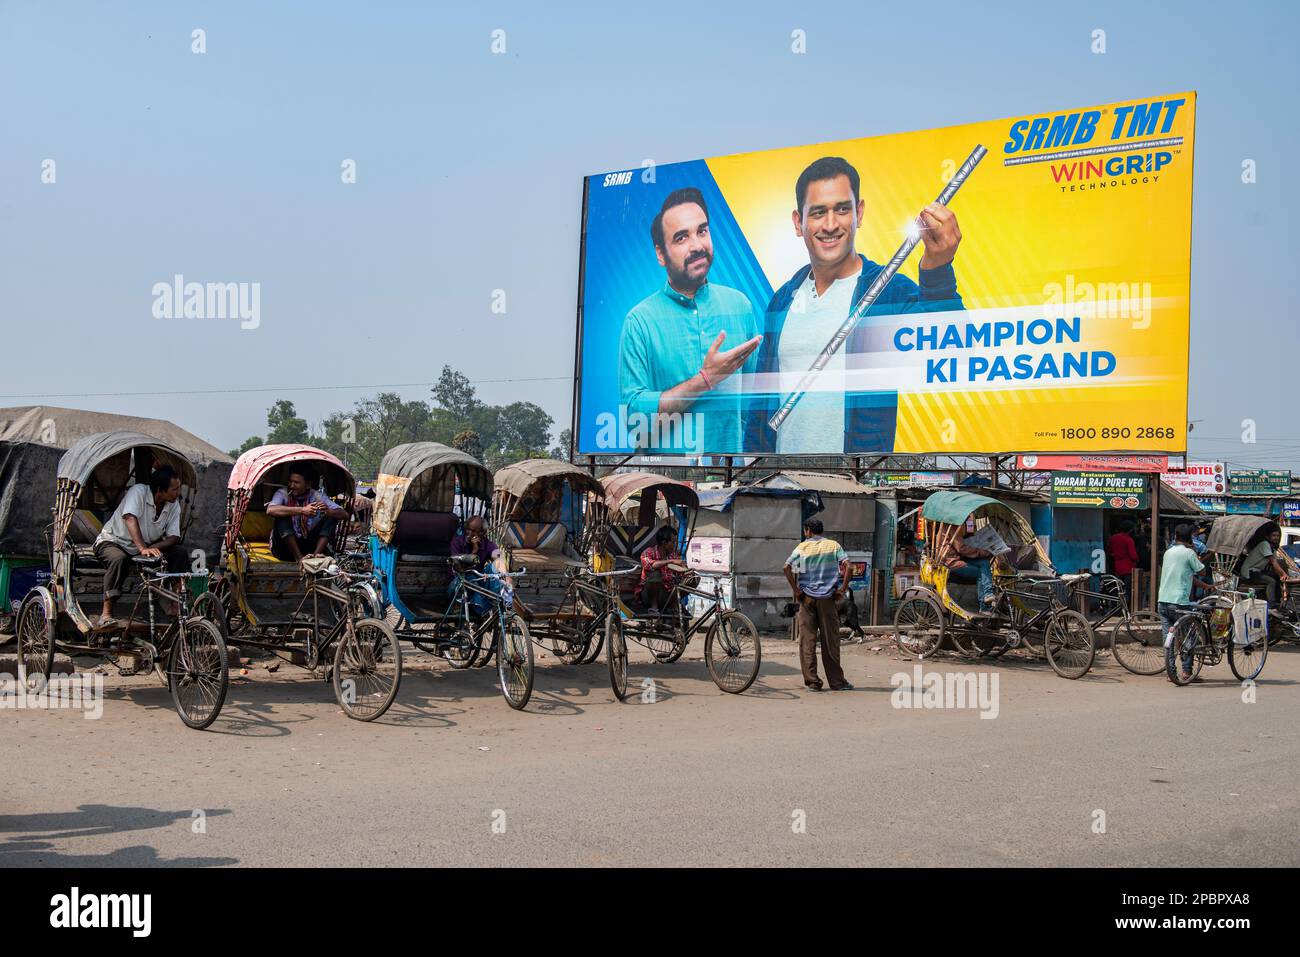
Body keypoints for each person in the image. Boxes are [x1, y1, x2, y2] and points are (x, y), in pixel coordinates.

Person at [751, 156, 965, 454]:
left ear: (859, 213)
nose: (830, 224)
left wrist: (938, 270)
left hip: (858, 488)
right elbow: (760, 407)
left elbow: (952, 349)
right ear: (798, 223)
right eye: (817, 212)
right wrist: (750, 474)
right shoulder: (782, 300)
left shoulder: (889, 291)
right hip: (780, 487)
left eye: (841, 209)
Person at [618, 187, 764, 454]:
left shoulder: (739, 306)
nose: (697, 245)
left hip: (731, 480)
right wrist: (705, 380)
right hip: (664, 485)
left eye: (702, 231)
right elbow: (633, 416)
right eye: (682, 237)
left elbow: (755, 402)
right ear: (661, 254)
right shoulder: (640, 321)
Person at [93, 466, 188, 631]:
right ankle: (106, 614)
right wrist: (143, 548)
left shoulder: (173, 505)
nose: (177, 493)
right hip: (114, 541)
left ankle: (176, 602)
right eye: (174, 489)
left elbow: (175, 537)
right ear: (160, 490)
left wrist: (153, 547)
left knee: (180, 553)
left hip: (145, 545)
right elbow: (130, 517)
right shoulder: (139, 491)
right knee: (118, 559)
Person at [783, 518, 853, 692]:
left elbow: (787, 567)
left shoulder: (803, 548)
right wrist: (843, 589)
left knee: (808, 641)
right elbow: (849, 567)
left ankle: (813, 681)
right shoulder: (834, 546)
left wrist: (796, 591)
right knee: (831, 642)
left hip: (806, 599)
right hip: (828, 599)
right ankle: (837, 682)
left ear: (808, 530)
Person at [1158, 524, 1216, 682]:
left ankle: (1171, 672)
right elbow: (1202, 571)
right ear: (1190, 538)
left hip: (1163, 601)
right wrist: (1195, 553)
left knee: (1168, 639)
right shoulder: (1189, 553)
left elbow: (1187, 575)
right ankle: (1186, 672)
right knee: (1188, 636)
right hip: (1179, 602)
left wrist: (1205, 586)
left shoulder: (1168, 552)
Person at [266, 465, 347, 561]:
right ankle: (300, 559)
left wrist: (327, 511)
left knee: (332, 516)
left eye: (296, 483)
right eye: (290, 481)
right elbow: (270, 510)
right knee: (282, 516)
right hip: (284, 548)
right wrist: (302, 510)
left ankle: (316, 555)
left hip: (308, 546)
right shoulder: (283, 493)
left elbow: (344, 514)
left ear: (308, 484)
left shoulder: (317, 496)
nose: (292, 486)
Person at [449, 514, 506, 614]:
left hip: (477, 585)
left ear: (482, 533)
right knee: (469, 576)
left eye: (474, 531)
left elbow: (499, 559)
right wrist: (475, 550)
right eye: (468, 529)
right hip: (457, 585)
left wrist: (507, 578)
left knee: (493, 568)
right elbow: (460, 568)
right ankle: (481, 609)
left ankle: (494, 602)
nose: (469, 533)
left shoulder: (489, 544)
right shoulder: (457, 542)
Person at [939, 523, 995, 609]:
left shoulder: (959, 527)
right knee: (979, 573)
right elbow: (961, 548)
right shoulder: (952, 527)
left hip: (961, 558)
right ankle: (984, 607)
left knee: (984, 563)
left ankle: (988, 594)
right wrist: (981, 552)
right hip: (951, 562)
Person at [637, 526, 683, 613]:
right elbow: (650, 565)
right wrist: (671, 561)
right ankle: (654, 607)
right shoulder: (648, 552)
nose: (675, 545)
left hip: (667, 595)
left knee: (692, 579)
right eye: (673, 542)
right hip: (648, 596)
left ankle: (673, 605)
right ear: (664, 542)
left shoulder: (673, 555)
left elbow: (681, 573)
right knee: (654, 573)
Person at [1239, 527, 1286, 606]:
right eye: (1273, 535)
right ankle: (1272, 603)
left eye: (1277, 536)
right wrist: (1283, 574)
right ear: (1268, 537)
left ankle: (1279, 600)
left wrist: (1282, 574)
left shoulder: (1272, 548)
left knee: (1277, 577)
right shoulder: (1264, 544)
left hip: (1257, 571)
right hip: (1249, 572)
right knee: (1271, 581)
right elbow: (1273, 561)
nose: (1276, 537)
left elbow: (1275, 564)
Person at [1107, 520, 1139, 595]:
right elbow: (1133, 556)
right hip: (1128, 569)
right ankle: (1126, 606)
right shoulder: (1129, 540)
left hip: (1117, 568)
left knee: (1118, 589)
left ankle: (1117, 605)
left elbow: (1110, 551)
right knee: (1127, 591)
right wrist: (1137, 560)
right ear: (1130, 530)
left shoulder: (1113, 538)